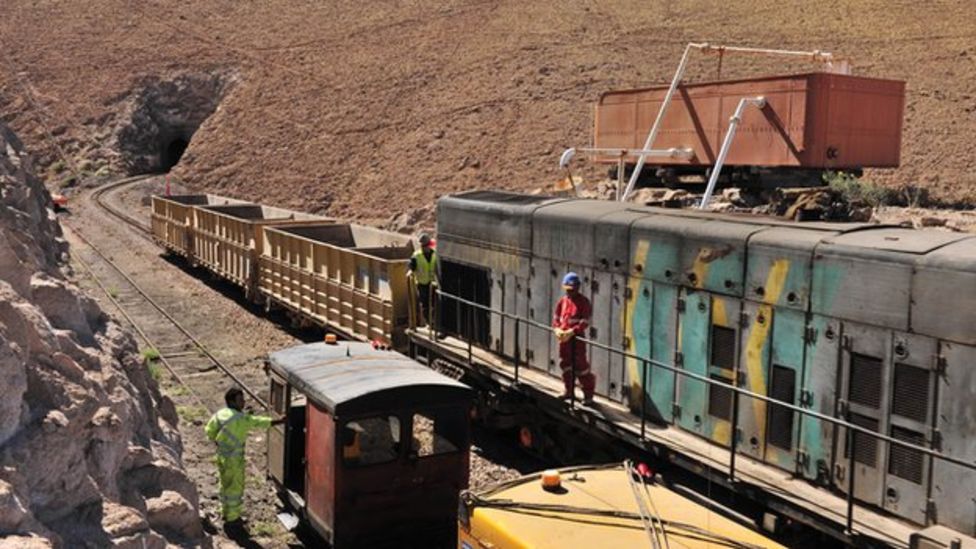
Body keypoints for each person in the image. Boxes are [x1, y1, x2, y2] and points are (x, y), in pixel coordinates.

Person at [204, 387, 277, 530]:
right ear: (232, 402)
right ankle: (233, 519)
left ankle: (224, 511)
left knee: (224, 484)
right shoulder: (241, 418)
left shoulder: (219, 415)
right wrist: (279, 420)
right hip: (235, 461)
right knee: (235, 489)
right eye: (240, 400)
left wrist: (220, 442)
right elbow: (258, 422)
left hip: (222, 456)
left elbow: (209, 432)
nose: (243, 402)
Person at [553, 272, 596, 405]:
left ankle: (588, 396)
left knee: (581, 367)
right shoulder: (562, 301)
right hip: (564, 340)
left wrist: (573, 331)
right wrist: (557, 329)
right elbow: (556, 318)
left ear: (578, 287)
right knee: (565, 365)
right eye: (567, 290)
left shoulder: (584, 302)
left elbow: (585, 321)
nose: (569, 292)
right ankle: (569, 391)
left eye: (572, 290)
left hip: (577, 340)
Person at [408, 233, 439, 328]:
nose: (424, 247)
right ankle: (429, 323)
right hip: (422, 284)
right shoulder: (416, 256)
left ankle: (434, 322)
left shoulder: (435, 254)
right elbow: (411, 267)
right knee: (425, 304)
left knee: (435, 303)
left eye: (425, 245)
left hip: (433, 283)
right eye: (422, 246)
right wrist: (410, 272)